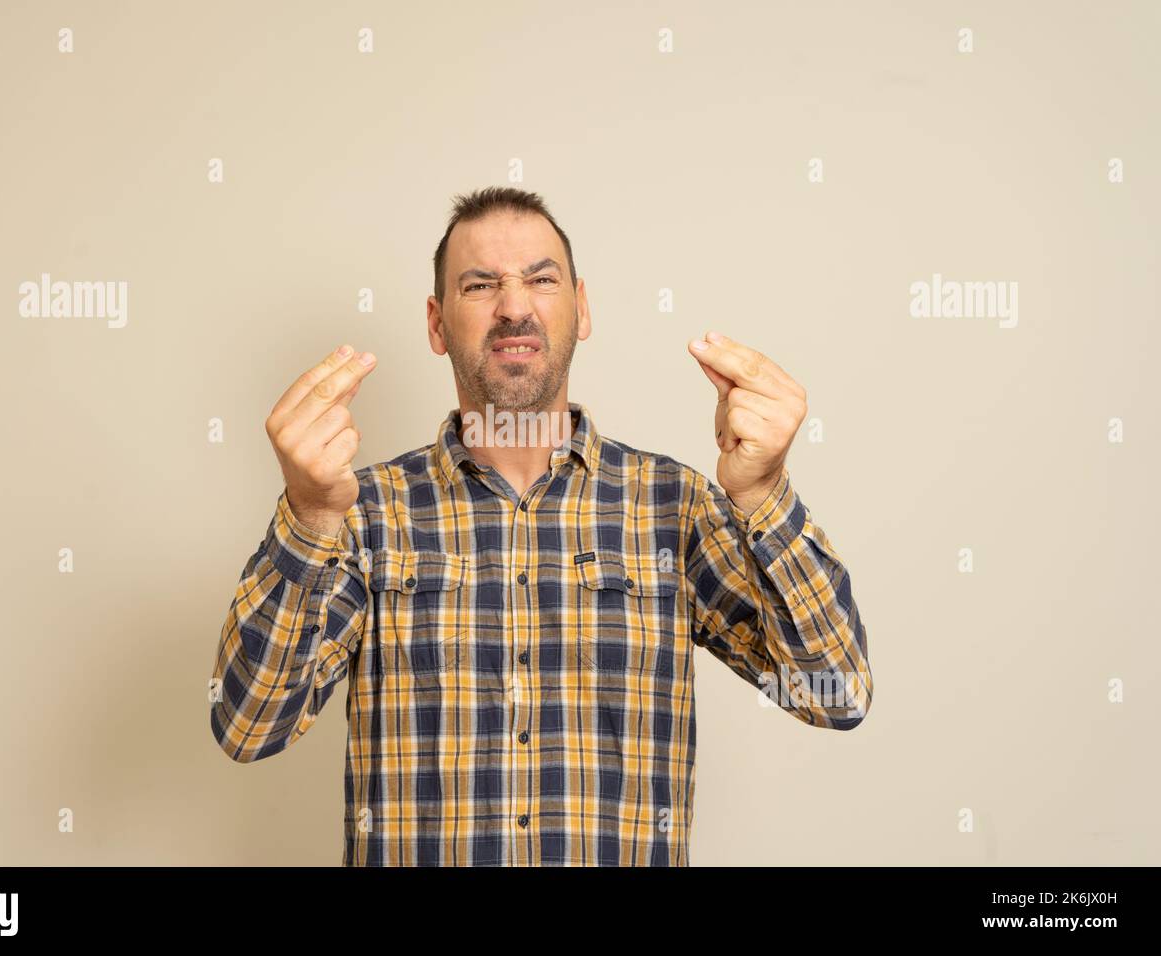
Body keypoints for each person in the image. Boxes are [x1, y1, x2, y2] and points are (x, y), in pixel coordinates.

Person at [210, 186, 872, 866]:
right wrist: (311, 515)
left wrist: (763, 495)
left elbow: (837, 692)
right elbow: (248, 724)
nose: (515, 306)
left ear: (581, 308)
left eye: (541, 279)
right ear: (436, 325)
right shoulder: (365, 515)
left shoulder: (673, 507)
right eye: (480, 285)